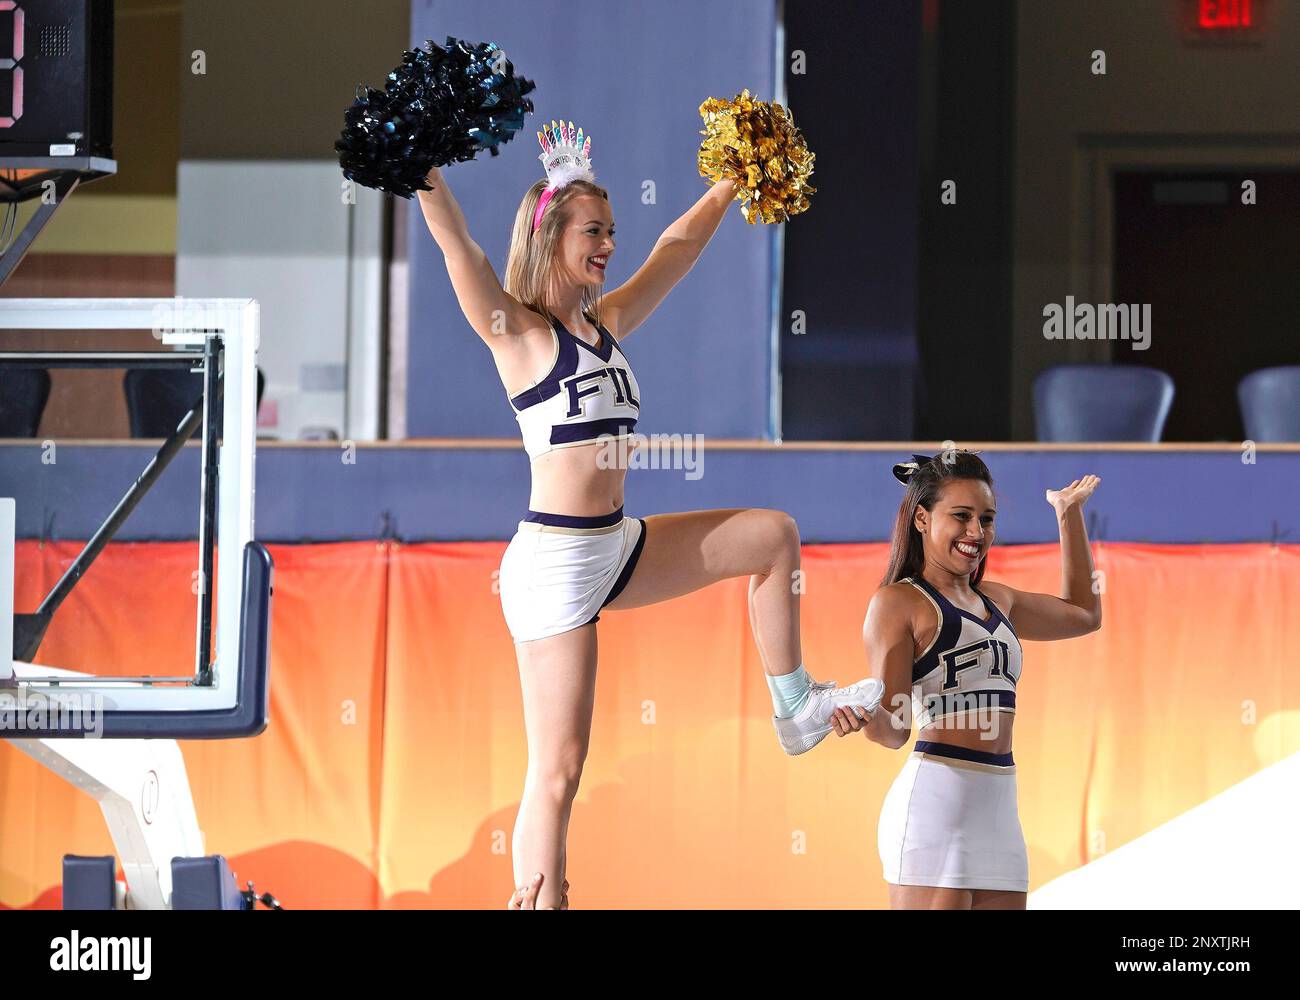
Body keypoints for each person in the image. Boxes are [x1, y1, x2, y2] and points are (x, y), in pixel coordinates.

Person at [416, 120, 883, 909]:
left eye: (610, 232)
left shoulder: (608, 325)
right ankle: (541, 901)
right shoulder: (519, 335)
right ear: (550, 233)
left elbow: (677, 249)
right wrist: (420, 168)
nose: (607, 245)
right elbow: (461, 248)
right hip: (555, 565)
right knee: (559, 769)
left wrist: (735, 179)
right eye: (594, 232)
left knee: (772, 536)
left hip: (616, 544)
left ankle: (798, 707)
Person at [830, 452, 1101, 910]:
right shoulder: (898, 602)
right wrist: (860, 717)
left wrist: (1068, 513)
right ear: (921, 517)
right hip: (936, 807)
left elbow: (1084, 614)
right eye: (961, 517)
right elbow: (893, 731)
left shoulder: (997, 598)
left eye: (986, 519)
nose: (976, 532)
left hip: (999, 810)